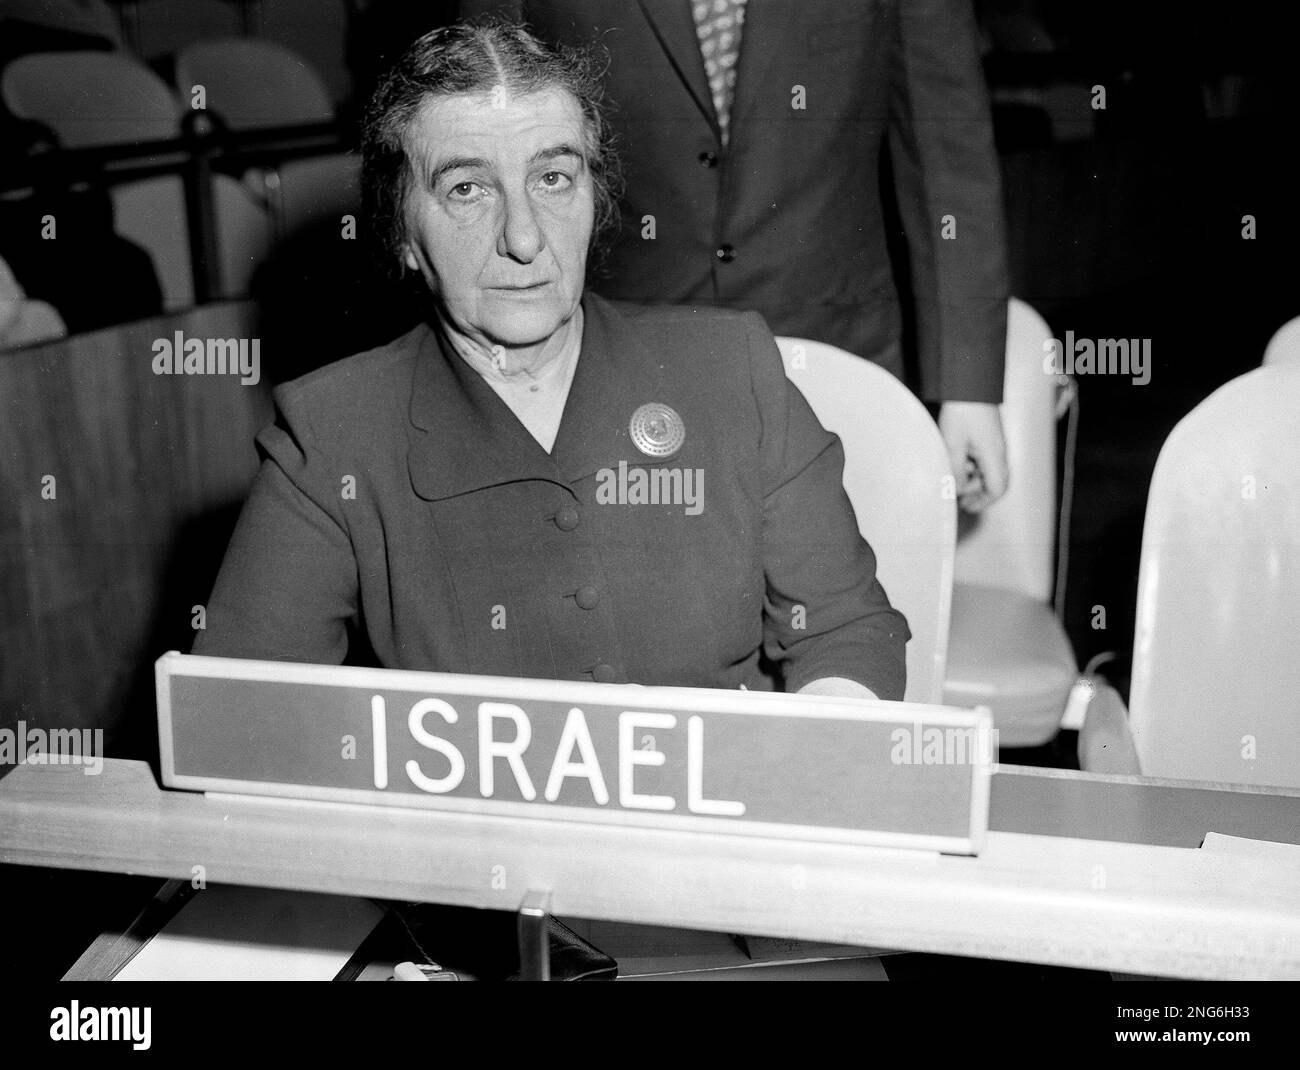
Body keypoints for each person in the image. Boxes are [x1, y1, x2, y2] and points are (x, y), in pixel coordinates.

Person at [193, 20, 909, 704]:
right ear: (402, 232)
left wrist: (813, 761)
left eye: (554, 178)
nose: (525, 238)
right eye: (467, 189)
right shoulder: (330, 436)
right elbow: (240, 716)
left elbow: (848, 630)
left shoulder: (734, 370)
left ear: (596, 197)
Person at [461, 0, 1013, 513]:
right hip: (611, 364)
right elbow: (478, 133)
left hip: (840, 356)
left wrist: (967, 388)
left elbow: (946, 148)